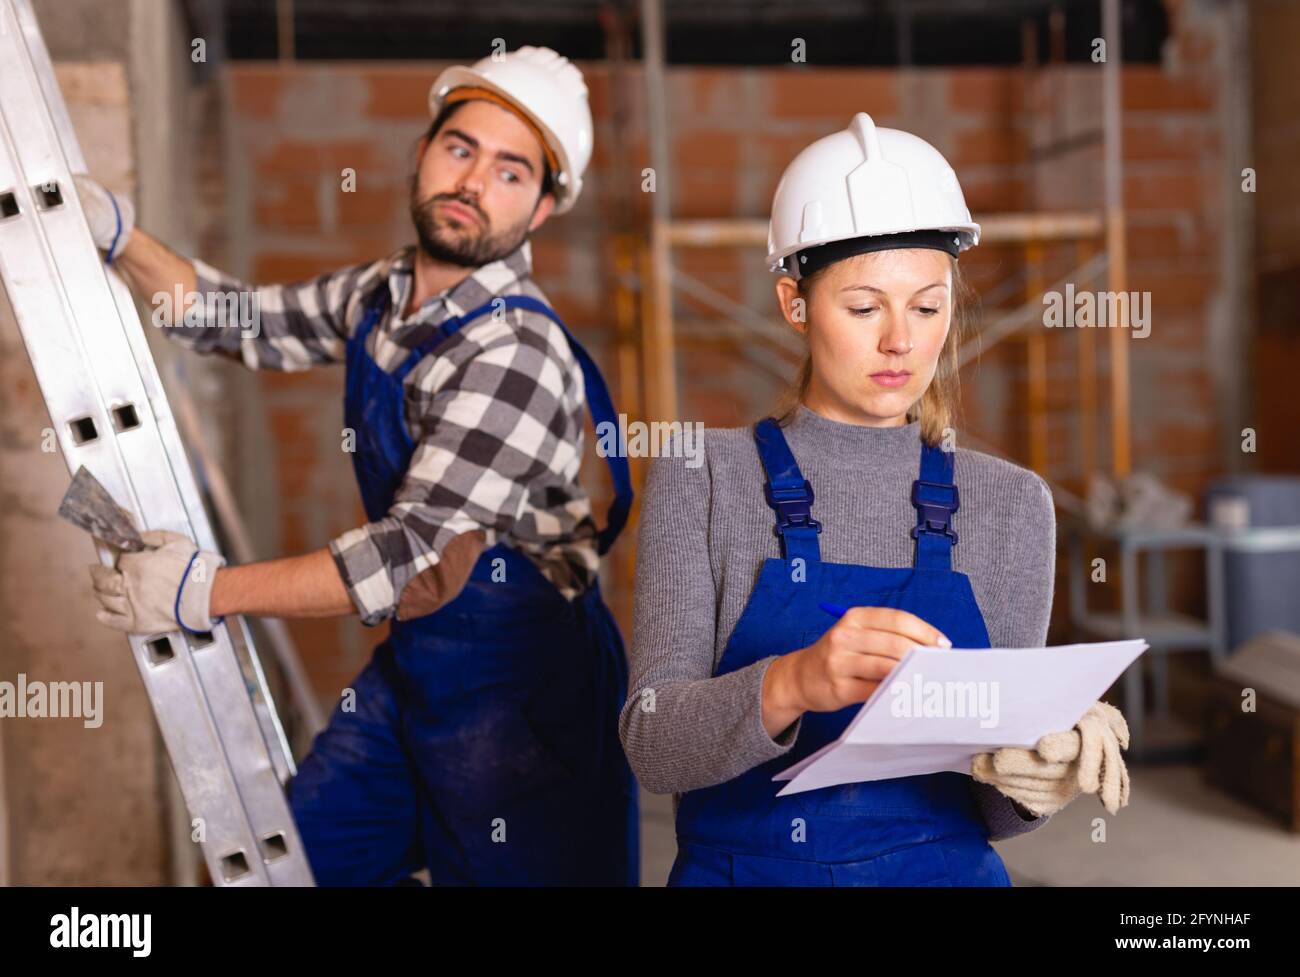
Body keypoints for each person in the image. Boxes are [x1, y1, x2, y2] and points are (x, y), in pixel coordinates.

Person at [83, 46, 638, 886]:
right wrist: (120, 237)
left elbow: (410, 563)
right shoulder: (385, 293)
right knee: (283, 868)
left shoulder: (515, 352)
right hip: (420, 675)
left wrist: (205, 591)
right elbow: (237, 319)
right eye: (460, 149)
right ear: (421, 152)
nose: (473, 182)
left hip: (527, 709)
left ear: (546, 205)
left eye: (511, 171)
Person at [620, 113, 1130, 886]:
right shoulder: (704, 476)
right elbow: (653, 746)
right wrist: (793, 681)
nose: (901, 341)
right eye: (864, 307)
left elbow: (989, 808)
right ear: (795, 304)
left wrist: (1036, 776)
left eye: (927, 307)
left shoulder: (1012, 504)